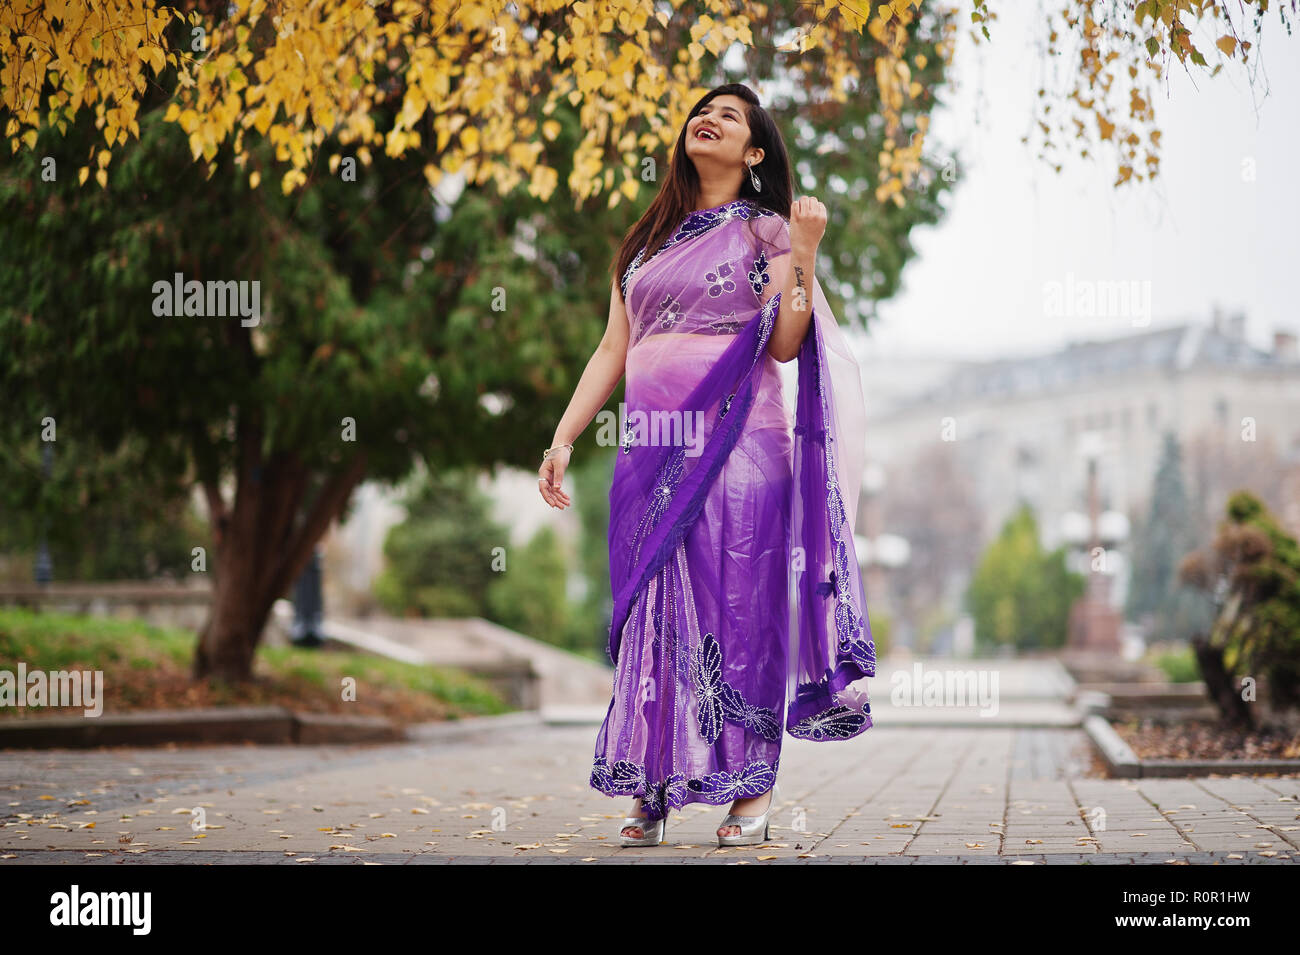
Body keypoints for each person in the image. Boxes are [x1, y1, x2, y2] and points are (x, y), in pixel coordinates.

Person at [538, 83, 876, 848]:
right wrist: (563, 436)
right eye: (704, 109)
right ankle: (656, 783)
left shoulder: (764, 231)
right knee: (654, 608)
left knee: (738, 605)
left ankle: (750, 790)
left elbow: (787, 343)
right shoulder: (645, 241)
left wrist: (807, 250)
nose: (709, 118)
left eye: (730, 116)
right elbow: (611, 349)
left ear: (754, 152)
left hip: (742, 445)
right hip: (648, 446)